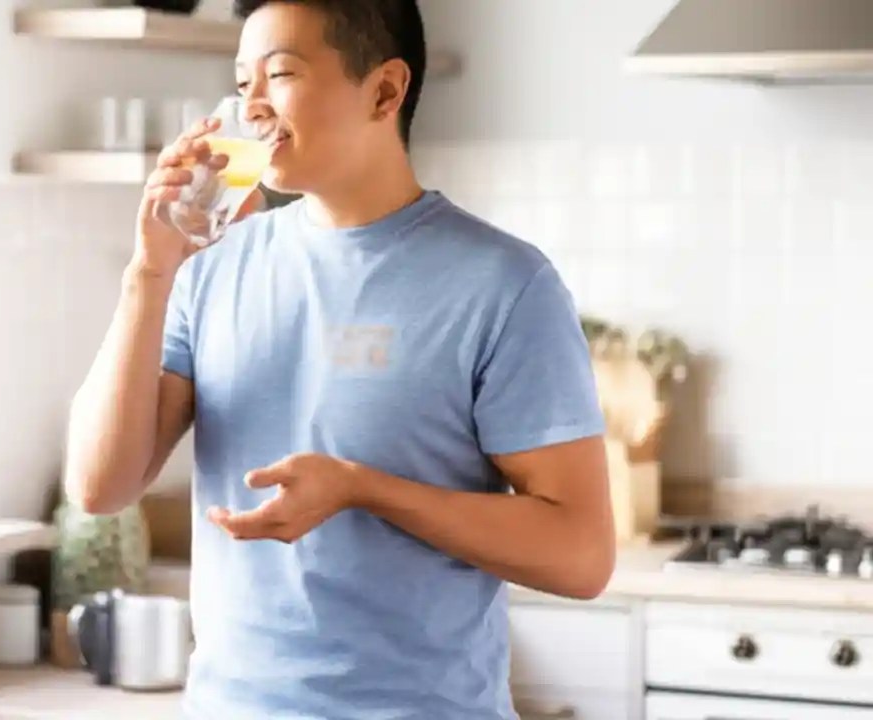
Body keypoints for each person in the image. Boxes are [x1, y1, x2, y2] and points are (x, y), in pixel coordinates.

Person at [63, 0, 616, 717]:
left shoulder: (504, 285)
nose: (252, 107)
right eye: (241, 85)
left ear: (385, 91)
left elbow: (581, 555)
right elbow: (99, 487)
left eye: (281, 74)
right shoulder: (212, 267)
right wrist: (149, 272)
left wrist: (364, 489)